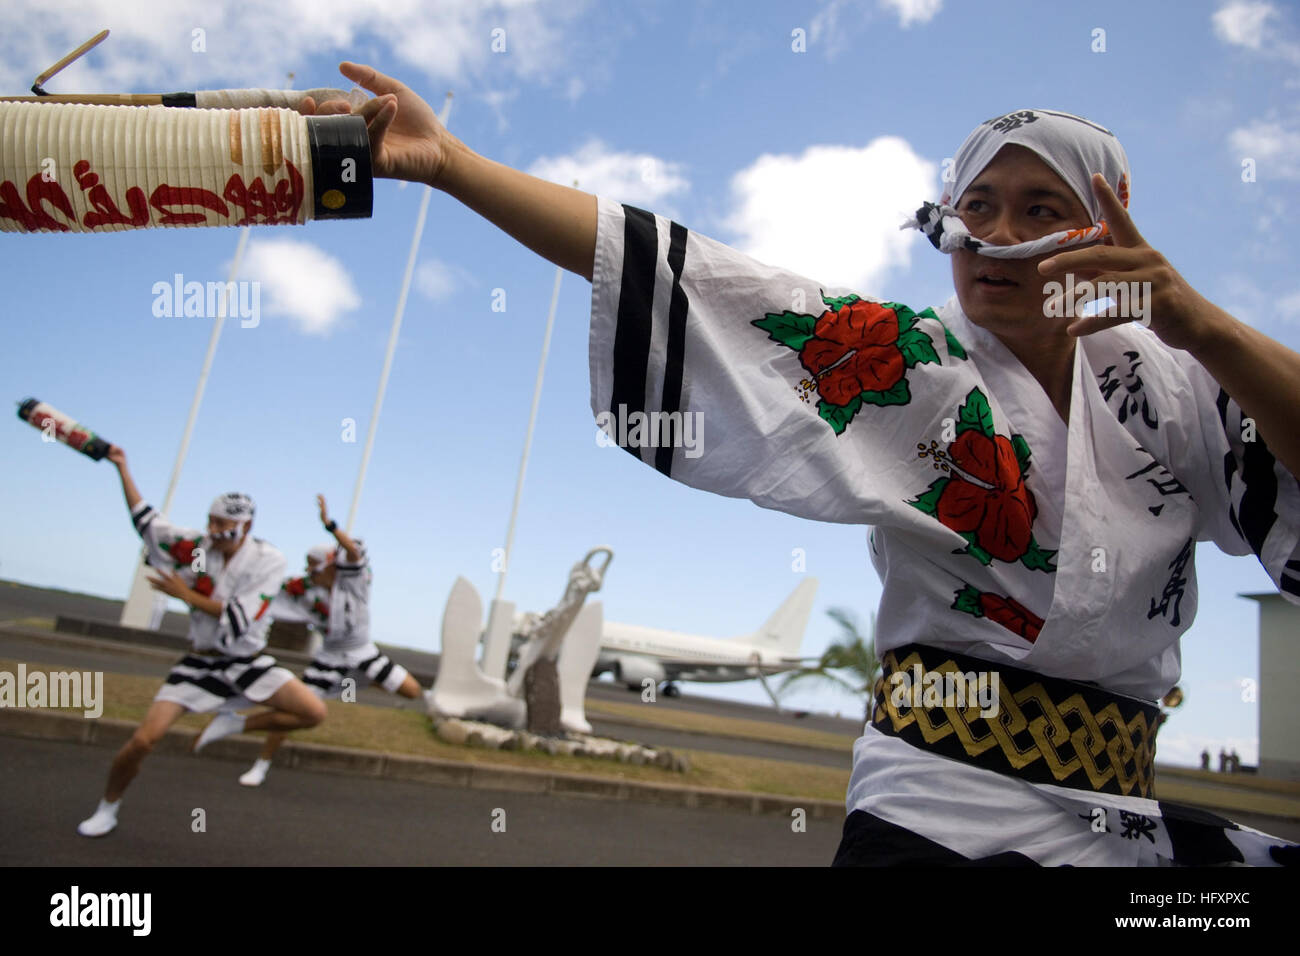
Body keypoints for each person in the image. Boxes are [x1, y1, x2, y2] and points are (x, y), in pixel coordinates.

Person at [303, 68, 1300, 865]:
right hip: (937, 805)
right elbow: (688, 271)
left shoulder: (1174, 382)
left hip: (1120, 816)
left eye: (1039, 207)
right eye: (977, 206)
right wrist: (451, 166)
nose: (995, 237)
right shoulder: (911, 362)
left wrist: (1200, 323)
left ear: (1106, 219)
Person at [76, 447, 327, 837]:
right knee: (143, 740)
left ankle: (233, 725)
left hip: (246, 660)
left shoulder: (268, 560)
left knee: (313, 713)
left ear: (244, 526)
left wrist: (185, 595)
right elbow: (147, 522)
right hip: (199, 663)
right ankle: (107, 807)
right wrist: (121, 466)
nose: (213, 530)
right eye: (210, 521)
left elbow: (241, 616)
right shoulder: (197, 549)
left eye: (223, 523)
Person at [235, 495, 429, 787]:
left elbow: (352, 550)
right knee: (295, 709)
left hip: (363, 652)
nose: (311, 569)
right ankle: (261, 764)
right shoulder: (305, 593)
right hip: (328, 658)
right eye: (307, 565)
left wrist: (330, 525)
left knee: (412, 691)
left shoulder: (354, 581)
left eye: (316, 564)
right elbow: (263, 595)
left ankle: (359, 680)